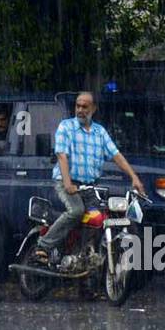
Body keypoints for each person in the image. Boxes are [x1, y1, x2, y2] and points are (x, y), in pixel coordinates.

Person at [36, 92, 146, 266]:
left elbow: (116, 155)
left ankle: (86, 253)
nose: (80, 110)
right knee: (76, 211)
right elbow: (62, 156)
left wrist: (134, 177)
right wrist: (67, 183)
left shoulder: (99, 132)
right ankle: (43, 245)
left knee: (102, 217)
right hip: (67, 183)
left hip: (90, 187)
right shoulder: (66, 127)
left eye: (85, 106)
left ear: (93, 109)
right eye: (78, 106)